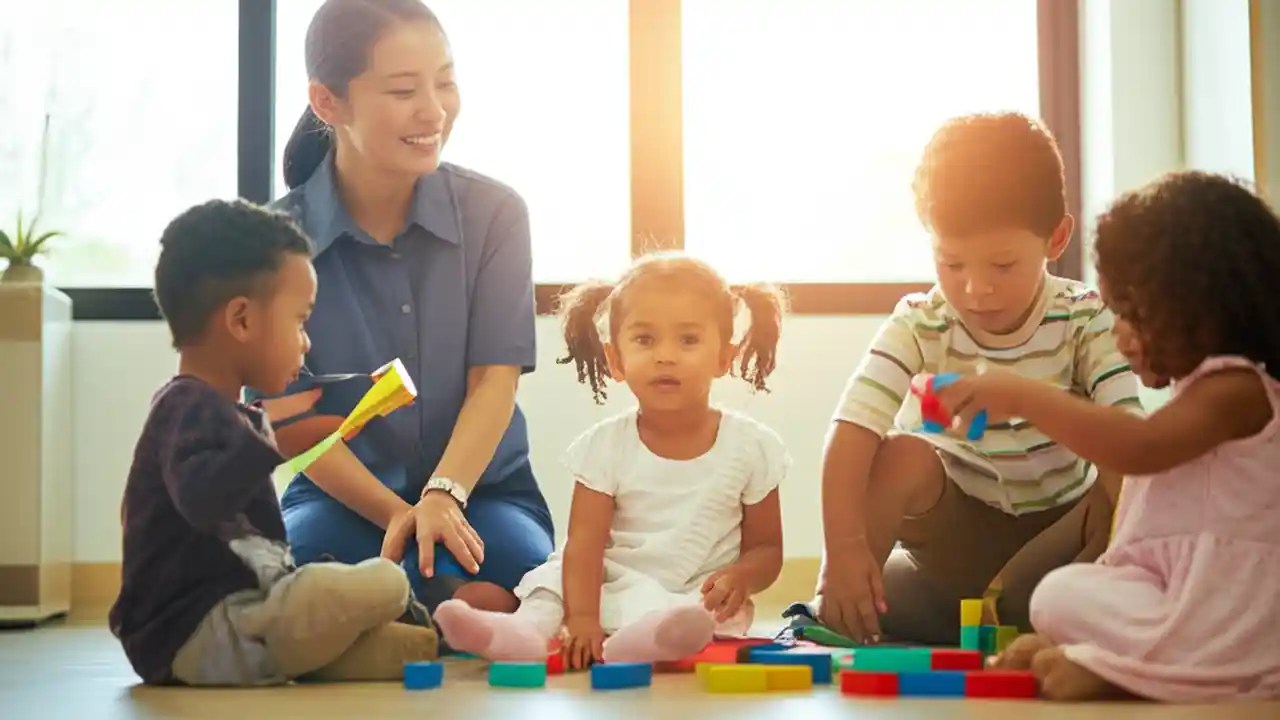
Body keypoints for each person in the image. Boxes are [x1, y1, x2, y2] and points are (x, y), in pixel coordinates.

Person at [254, 0, 554, 615]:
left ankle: (408, 612)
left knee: (527, 579)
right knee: (298, 580)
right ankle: (420, 611)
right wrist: (398, 514)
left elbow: (494, 382)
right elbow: (289, 422)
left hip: (482, 496)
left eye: (444, 81)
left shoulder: (495, 215)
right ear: (327, 102)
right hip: (340, 502)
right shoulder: (269, 242)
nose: (435, 110)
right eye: (402, 90)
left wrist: (443, 496)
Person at [812, 112, 1142, 645]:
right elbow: (851, 429)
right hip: (954, 543)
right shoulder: (920, 322)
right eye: (951, 262)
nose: (975, 289)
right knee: (897, 455)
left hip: (1056, 537)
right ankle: (848, 613)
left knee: (1121, 480)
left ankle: (1034, 615)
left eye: (1003, 265)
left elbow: (1129, 435)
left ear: (1056, 238)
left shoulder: (1084, 318)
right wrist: (845, 551)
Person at [952, 172, 1280, 702]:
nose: (1119, 332)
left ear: (1202, 304)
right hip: (1181, 598)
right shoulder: (1200, 394)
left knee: (1069, 602)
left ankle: (1120, 673)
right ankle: (1123, 661)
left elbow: (1137, 448)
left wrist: (1022, 397)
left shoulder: (1237, 388)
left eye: (1132, 314)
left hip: (1232, 607)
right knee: (1058, 596)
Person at [108, 199, 438, 686]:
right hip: (189, 630)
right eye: (300, 320)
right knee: (379, 580)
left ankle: (380, 636)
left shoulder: (230, 413)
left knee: (409, 652)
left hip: (246, 620)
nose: (305, 342)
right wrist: (276, 440)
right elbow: (202, 499)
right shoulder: (184, 407)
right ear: (241, 320)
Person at [430, 253, 791, 668]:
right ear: (616, 360)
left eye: (688, 340)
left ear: (724, 358)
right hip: (601, 580)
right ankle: (522, 632)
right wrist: (582, 618)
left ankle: (643, 643)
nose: (665, 356)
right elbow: (584, 546)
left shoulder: (752, 446)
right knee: (552, 583)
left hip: (688, 590)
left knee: (695, 614)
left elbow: (766, 548)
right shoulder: (603, 446)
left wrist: (741, 578)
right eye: (644, 340)